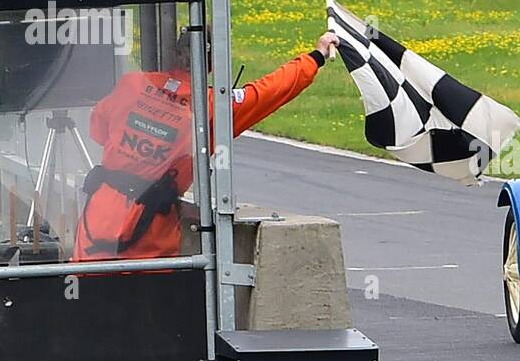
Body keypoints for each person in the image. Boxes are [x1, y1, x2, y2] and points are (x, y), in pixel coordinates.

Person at [73, 32, 339, 261]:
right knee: (148, 308)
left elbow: (98, 129)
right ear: (211, 62)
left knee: (86, 304)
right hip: (150, 229)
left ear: (175, 52)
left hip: (97, 219)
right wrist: (315, 56)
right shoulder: (209, 106)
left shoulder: (131, 84)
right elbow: (271, 91)